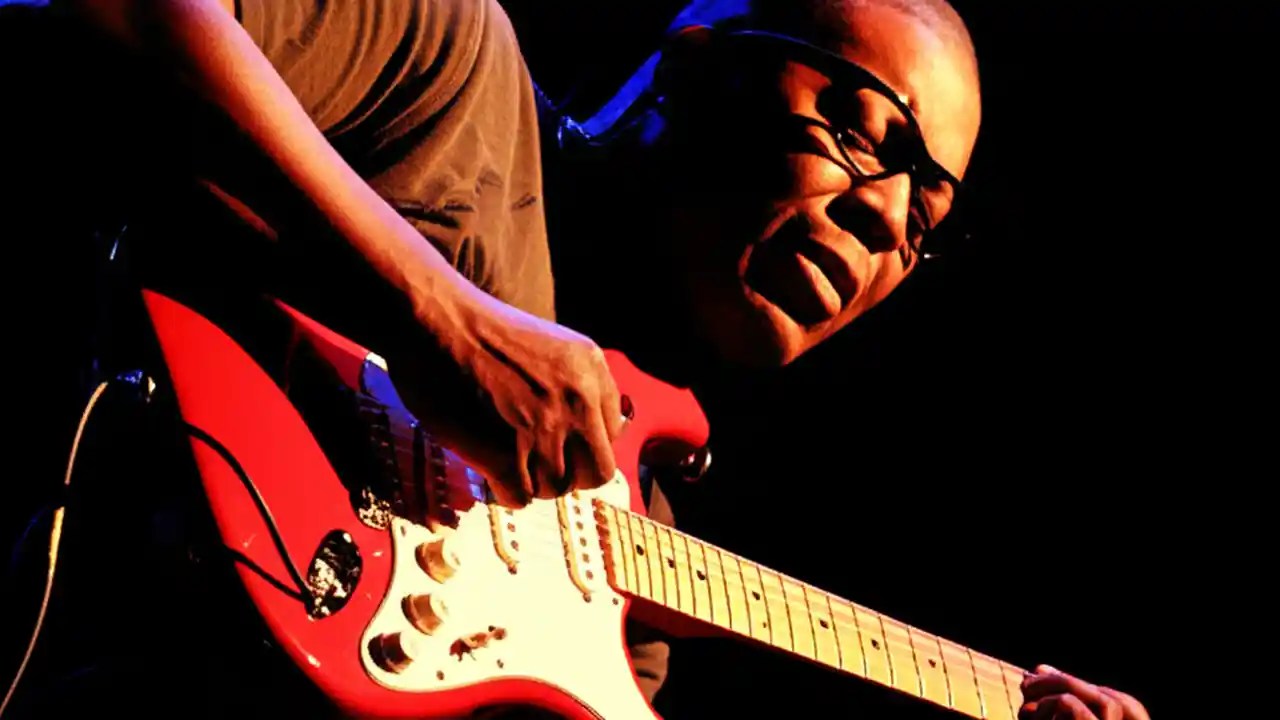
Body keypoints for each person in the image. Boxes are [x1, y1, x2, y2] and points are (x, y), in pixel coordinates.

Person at [0, 0, 1151, 718]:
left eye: (923, 218)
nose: (880, 218)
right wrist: (437, 321)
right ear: (694, 68)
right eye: (861, 129)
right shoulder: (449, 66)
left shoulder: (616, 637)